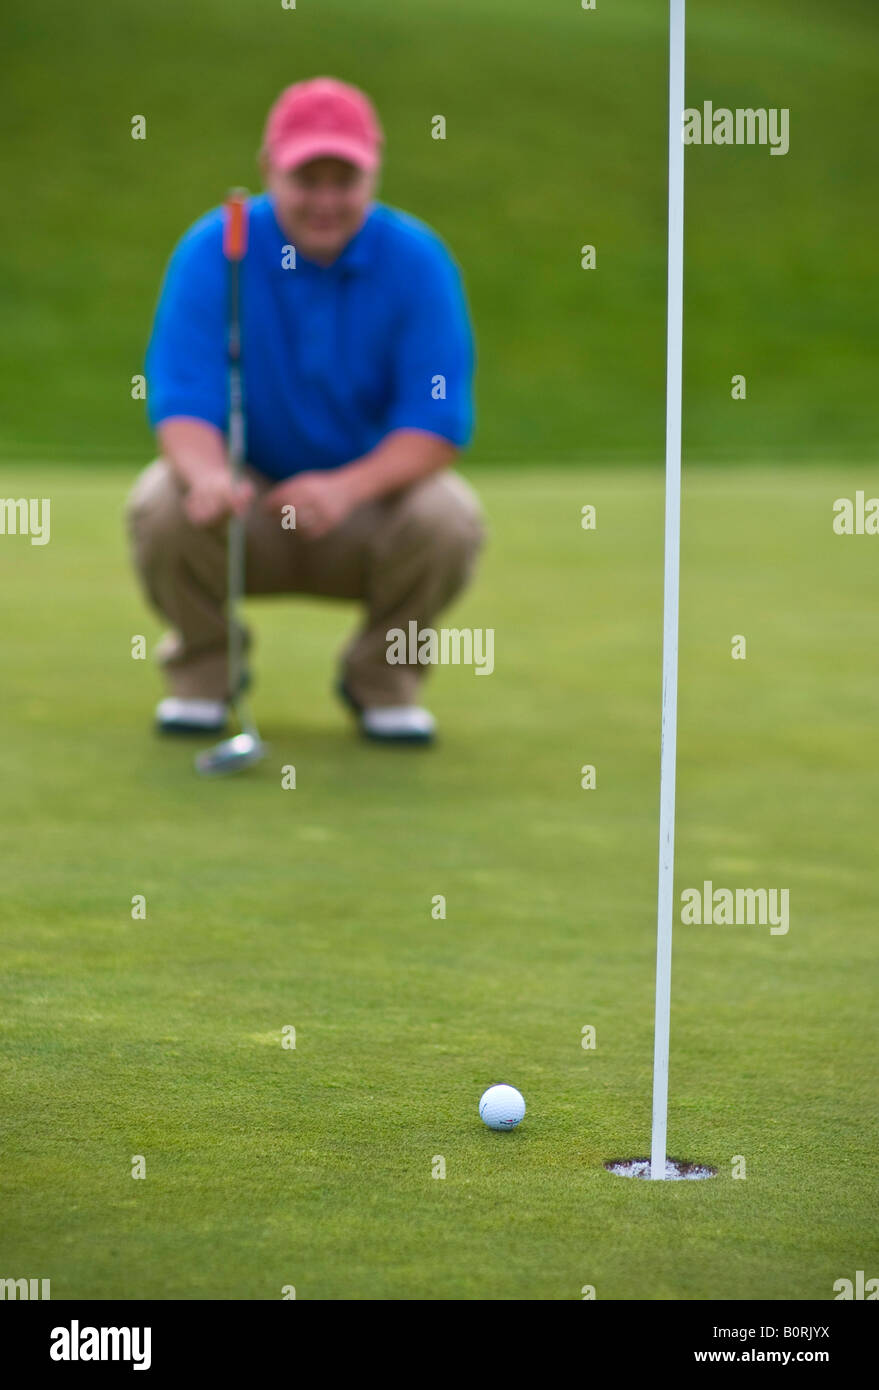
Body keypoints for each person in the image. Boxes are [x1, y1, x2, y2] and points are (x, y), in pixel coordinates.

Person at [125, 76, 484, 746]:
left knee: (447, 515)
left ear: (372, 174)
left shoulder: (417, 260)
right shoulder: (216, 249)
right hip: (246, 506)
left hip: (366, 510)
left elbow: (436, 422)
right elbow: (182, 394)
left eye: (342, 179)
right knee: (161, 500)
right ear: (269, 170)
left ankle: (382, 682)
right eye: (305, 178)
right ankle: (207, 674)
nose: (325, 200)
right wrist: (206, 475)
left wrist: (346, 487)